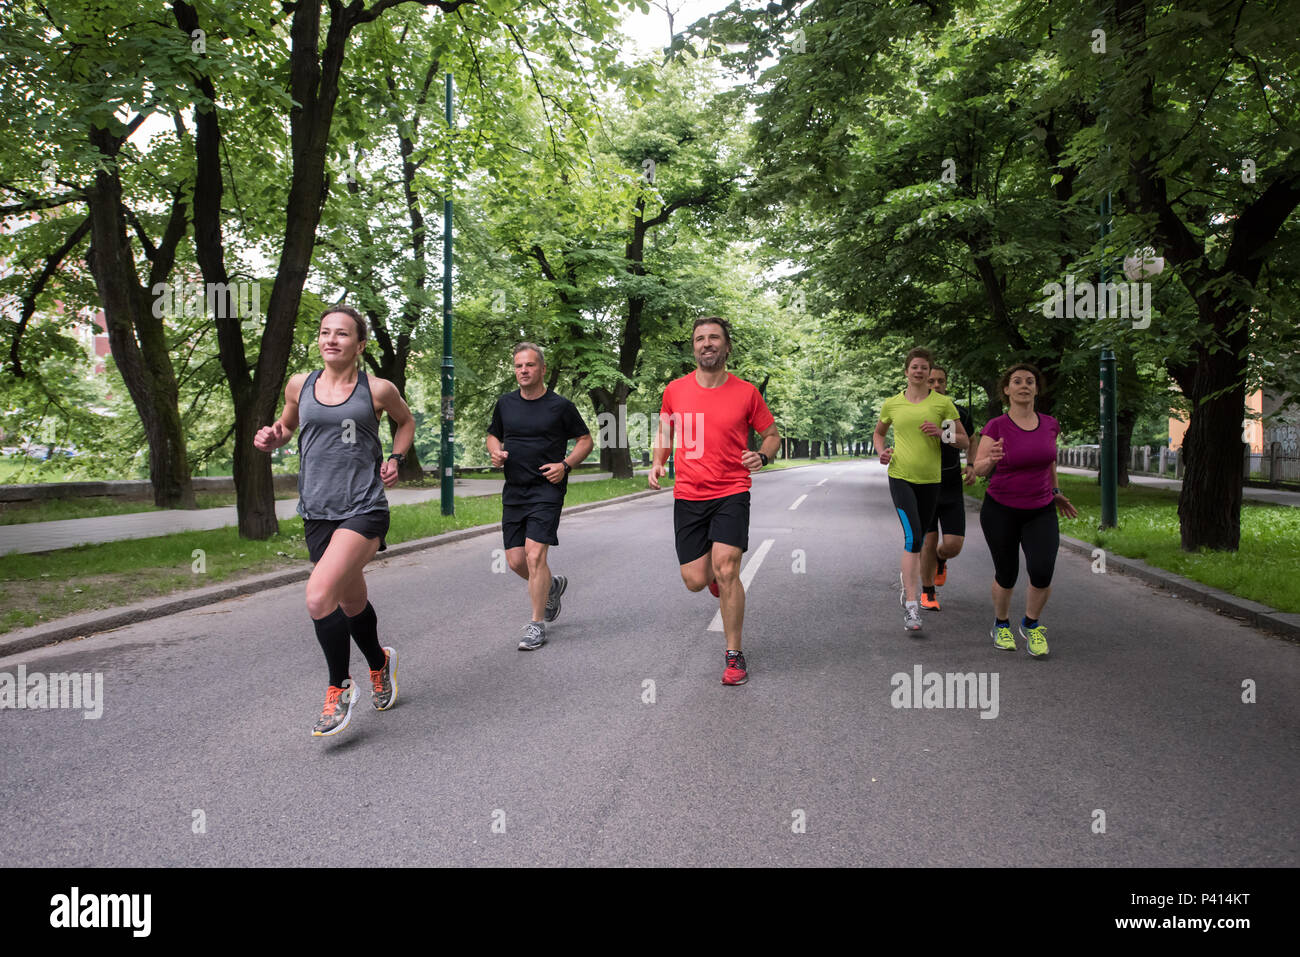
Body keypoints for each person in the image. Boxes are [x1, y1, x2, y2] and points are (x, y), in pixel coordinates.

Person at [254, 305, 415, 737]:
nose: (331, 340)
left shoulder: (378, 389)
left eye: (342, 334)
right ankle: (380, 663)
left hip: (363, 507)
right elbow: (286, 428)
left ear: (359, 345)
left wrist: (396, 458)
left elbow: (406, 422)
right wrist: (272, 437)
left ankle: (339, 689)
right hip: (317, 511)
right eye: (325, 332)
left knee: (318, 596)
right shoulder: (298, 385)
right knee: (350, 602)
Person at [648, 316, 780, 686]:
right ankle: (714, 581)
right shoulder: (675, 390)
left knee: (727, 568)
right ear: (694, 347)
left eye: (714, 338)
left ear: (727, 346)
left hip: (731, 490)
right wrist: (659, 461)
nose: (706, 344)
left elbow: (771, 435)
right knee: (694, 579)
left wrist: (763, 456)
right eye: (700, 338)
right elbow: (665, 430)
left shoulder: (746, 392)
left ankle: (734, 655)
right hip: (689, 494)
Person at [486, 342, 593, 651]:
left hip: (547, 487)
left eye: (530, 365)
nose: (524, 370)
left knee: (535, 555)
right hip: (514, 489)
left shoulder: (560, 406)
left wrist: (566, 464)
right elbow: (493, 434)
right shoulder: (505, 404)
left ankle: (535, 625)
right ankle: (552, 586)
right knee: (516, 560)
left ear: (542, 369)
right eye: (519, 366)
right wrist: (495, 451)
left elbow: (585, 440)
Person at [972, 362, 1078, 657]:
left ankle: (1031, 625)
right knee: (1007, 573)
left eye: (1029, 381)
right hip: (1000, 509)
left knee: (1042, 571)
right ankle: (1001, 624)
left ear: (1036, 389)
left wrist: (1055, 492)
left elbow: (1049, 462)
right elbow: (979, 469)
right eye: (1016, 381)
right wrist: (991, 459)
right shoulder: (996, 426)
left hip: (1040, 508)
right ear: (1007, 390)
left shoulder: (1050, 423)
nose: (1024, 386)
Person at [873, 347, 968, 632]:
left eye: (924, 367)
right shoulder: (892, 404)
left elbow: (963, 440)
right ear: (907, 371)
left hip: (931, 481)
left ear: (929, 372)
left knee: (923, 537)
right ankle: (912, 604)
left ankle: (917, 591)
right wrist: (882, 453)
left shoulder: (943, 404)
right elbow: (879, 433)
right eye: (914, 366)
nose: (919, 371)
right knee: (913, 536)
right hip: (901, 476)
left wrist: (941, 434)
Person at [917, 364, 977, 611]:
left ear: (946, 383)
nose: (936, 385)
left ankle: (941, 559)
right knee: (928, 542)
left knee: (952, 545)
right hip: (924, 486)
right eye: (931, 381)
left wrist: (972, 465)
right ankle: (927, 592)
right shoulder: (915, 411)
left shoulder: (957, 413)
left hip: (951, 486)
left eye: (940, 381)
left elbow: (970, 440)